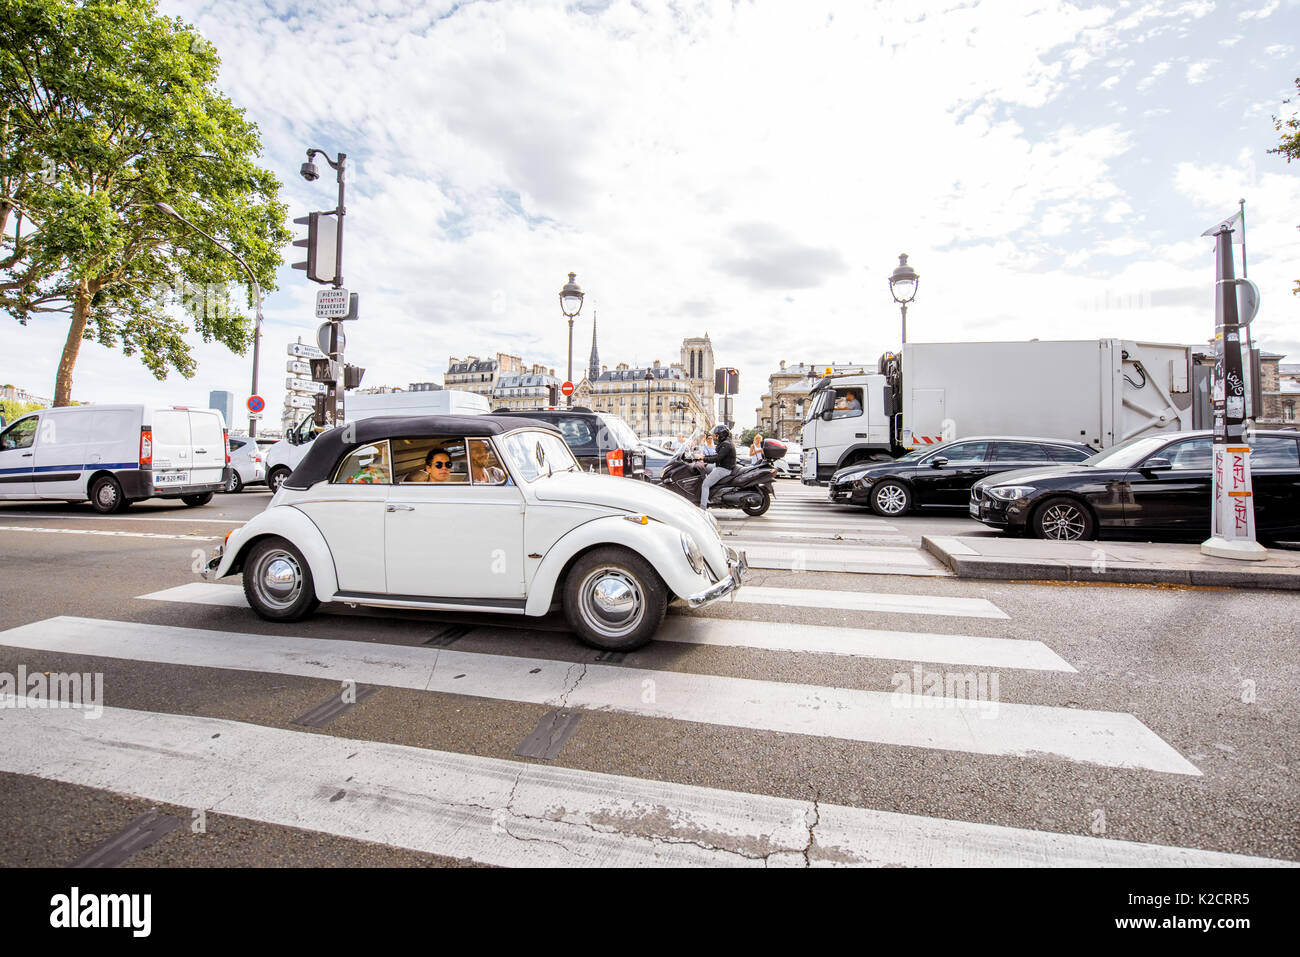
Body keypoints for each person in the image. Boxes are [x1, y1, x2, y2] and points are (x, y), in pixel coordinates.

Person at [698, 423, 736, 509]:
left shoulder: (726, 444)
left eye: (717, 435)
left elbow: (718, 458)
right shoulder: (726, 443)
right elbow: (716, 457)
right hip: (721, 466)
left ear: (722, 434)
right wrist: (704, 460)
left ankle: (703, 507)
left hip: (723, 469)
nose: (716, 437)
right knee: (704, 469)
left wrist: (704, 458)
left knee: (705, 485)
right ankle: (707, 494)